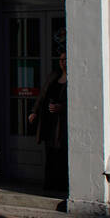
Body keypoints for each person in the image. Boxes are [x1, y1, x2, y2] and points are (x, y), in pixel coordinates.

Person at [29, 50, 68, 198]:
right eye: (61, 60)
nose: (63, 63)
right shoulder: (54, 76)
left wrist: (61, 107)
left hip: (63, 122)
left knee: (62, 151)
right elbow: (43, 94)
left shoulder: (74, 77)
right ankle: (50, 183)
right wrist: (34, 111)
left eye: (65, 59)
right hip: (50, 121)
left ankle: (62, 184)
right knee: (51, 151)